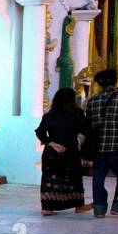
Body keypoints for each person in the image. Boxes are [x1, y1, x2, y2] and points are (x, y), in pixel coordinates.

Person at [85, 68, 118, 219]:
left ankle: (99, 210)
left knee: (98, 178)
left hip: (98, 148)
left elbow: (89, 125)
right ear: (115, 81)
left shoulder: (93, 100)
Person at [35, 87, 93, 215]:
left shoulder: (49, 115)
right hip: (70, 152)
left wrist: (51, 143)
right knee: (74, 179)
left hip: (51, 153)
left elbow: (39, 132)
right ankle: (79, 206)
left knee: (50, 179)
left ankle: (47, 208)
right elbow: (87, 130)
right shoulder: (76, 114)